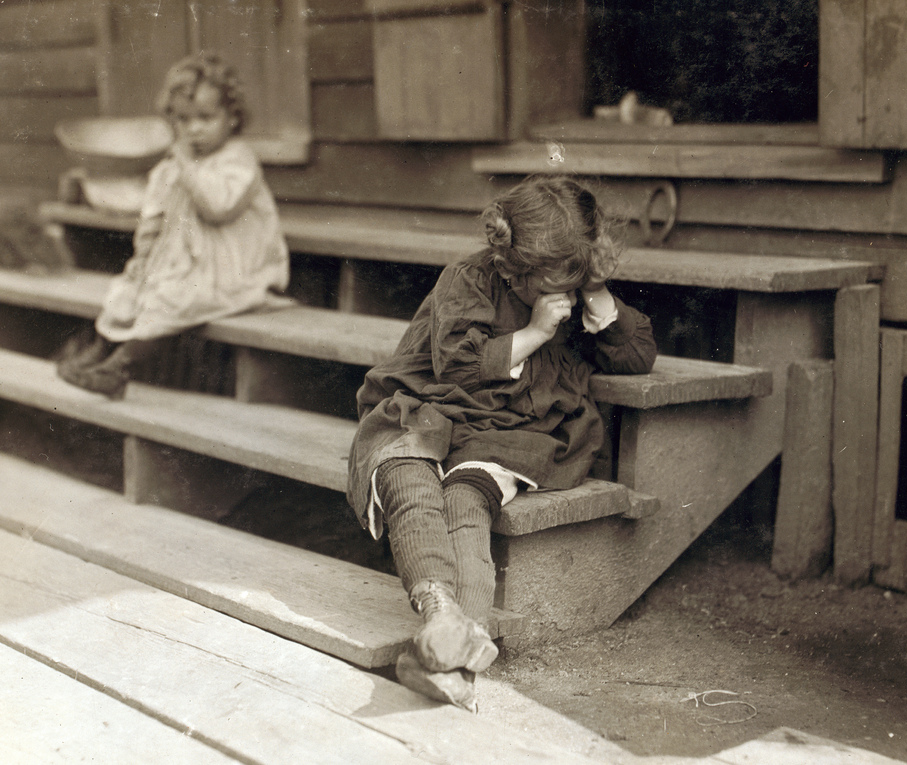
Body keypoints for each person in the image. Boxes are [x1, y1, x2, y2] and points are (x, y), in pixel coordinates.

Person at [346, 177, 658, 711]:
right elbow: (459, 366)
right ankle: (441, 612)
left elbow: (636, 355)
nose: (568, 287)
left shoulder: (576, 289)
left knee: (466, 499)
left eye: (578, 274)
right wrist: (536, 331)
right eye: (557, 278)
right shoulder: (468, 279)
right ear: (512, 265)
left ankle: (452, 648)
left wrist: (598, 295)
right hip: (435, 402)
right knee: (405, 471)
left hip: (513, 431)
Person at [57, 52, 290, 399]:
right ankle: (100, 352)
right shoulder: (170, 168)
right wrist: (143, 258)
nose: (193, 129)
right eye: (183, 120)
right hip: (184, 259)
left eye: (205, 118)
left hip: (233, 266)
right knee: (129, 288)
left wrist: (186, 165)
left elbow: (218, 207)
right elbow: (153, 218)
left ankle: (120, 366)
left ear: (232, 117)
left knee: (173, 297)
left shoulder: (238, 160)